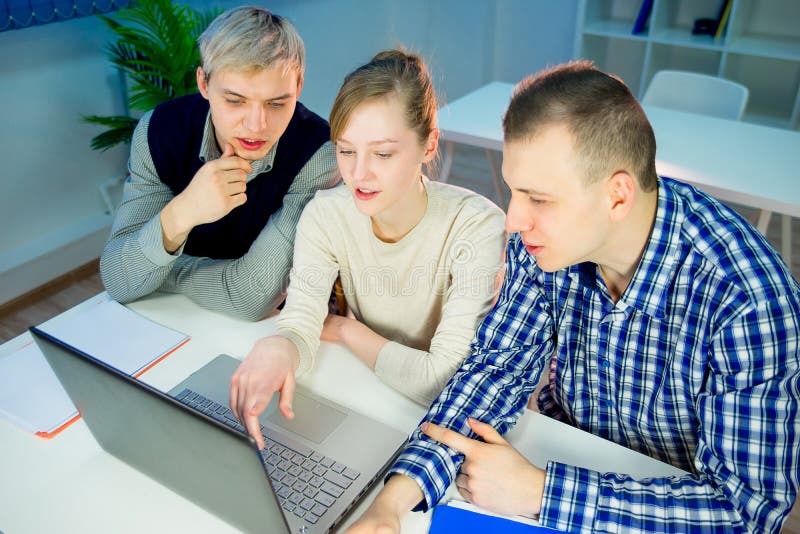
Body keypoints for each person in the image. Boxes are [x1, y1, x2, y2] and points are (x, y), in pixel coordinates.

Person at [347, 61, 800, 533]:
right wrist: (394, 501)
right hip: (557, 458)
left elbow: (743, 512)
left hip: (666, 507)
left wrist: (541, 492)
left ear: (618, 197)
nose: (514, 219)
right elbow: (496, 370)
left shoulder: (749, 299)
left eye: (538, 199)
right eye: (513, 192)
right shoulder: (543, 244)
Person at [228, 50, 507, 450]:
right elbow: (301, 322)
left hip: (444, 428)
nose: (358, 174)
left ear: (429, 145)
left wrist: (345, 329)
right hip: (369, 399)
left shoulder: (477, 225)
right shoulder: (327, 214)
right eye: (346, 150)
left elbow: (444, 380)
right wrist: (278, 346)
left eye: (382, 153)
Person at [99, 7, 338, 320]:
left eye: (277, 103)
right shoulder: (159, 131)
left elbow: (250, 298)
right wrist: (184, 211)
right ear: (203, 84)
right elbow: (118, 278)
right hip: (175, 317)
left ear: (298, 88)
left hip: (277, 329)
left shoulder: (318, 153)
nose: (256, 125)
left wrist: (165, 271)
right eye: (235, 100)